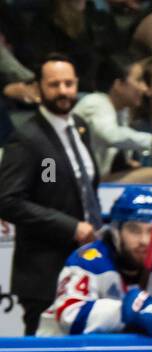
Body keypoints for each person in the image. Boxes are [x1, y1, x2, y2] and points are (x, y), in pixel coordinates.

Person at [0, 54, 101, 335]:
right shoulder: (27, 138)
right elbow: (8, 201)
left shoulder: (80, 127)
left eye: (69, 83)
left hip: (85, 268)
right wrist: (71, 227)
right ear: (38, 88)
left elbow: (66, 184)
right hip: (44, 272)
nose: (63, 91)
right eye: (54, 84)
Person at [37, 185, 152, 338]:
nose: (144, 240)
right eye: (134, 230)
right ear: (116, 231)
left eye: (151, 231)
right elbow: (69, 316)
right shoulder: (88, 262)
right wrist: (125, 311)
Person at [73, 55, 152, 183]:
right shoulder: (96, 103)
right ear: (119, 85)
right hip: (82, 183)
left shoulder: (121, 109)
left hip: (97, 179)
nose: (144, 88)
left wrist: (127, 163)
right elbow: (112, 136)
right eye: (138, 80)